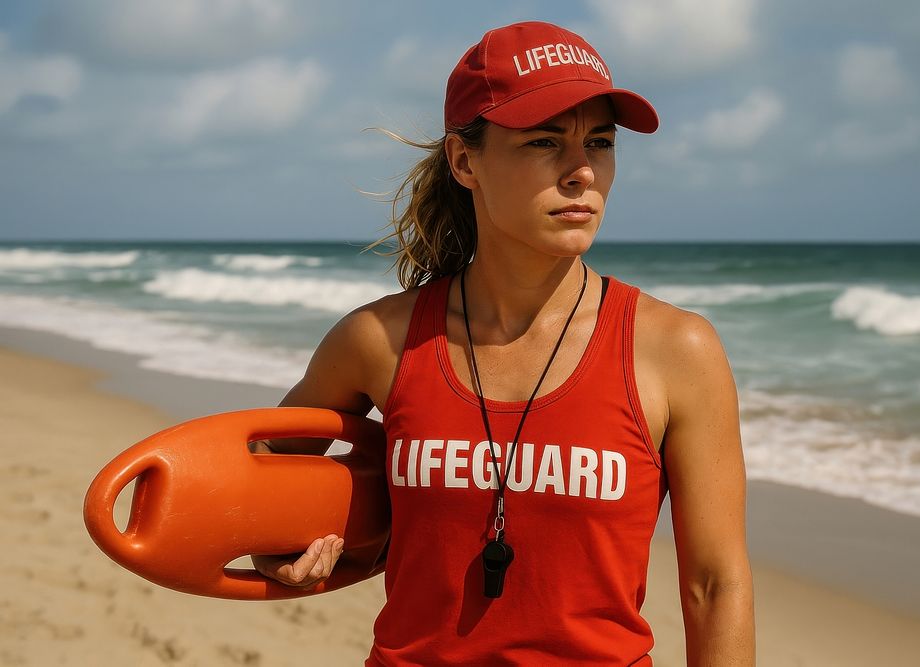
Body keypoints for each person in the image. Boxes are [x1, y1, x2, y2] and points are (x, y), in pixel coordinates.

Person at [251, 20, 754, 666]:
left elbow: (715, 586)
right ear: (465, 162)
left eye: (599, 142)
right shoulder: (380, 341)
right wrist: (278, 546)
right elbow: (262, 470)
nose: (581, 171)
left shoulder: (675, 351)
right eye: (546, 142)